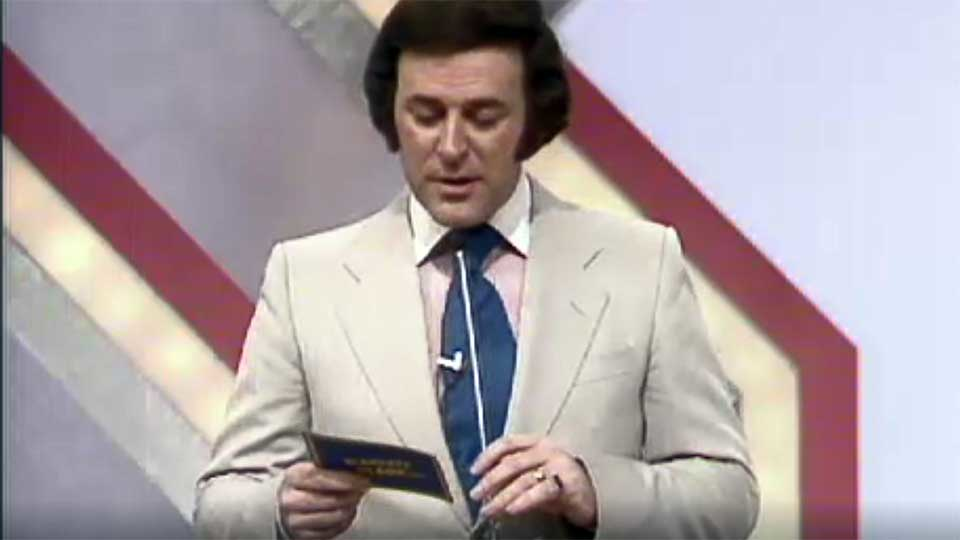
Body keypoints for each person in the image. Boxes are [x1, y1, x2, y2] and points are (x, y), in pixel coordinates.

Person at [195, 2, 759, 538]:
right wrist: (281, 510)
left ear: (531, 120)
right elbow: (221, 501)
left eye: (483, 117)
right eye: (425, 116)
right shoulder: (306, 279)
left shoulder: (641, 263)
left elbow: (727, 493)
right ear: (392, 115)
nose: (451, 146)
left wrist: (596, 492)